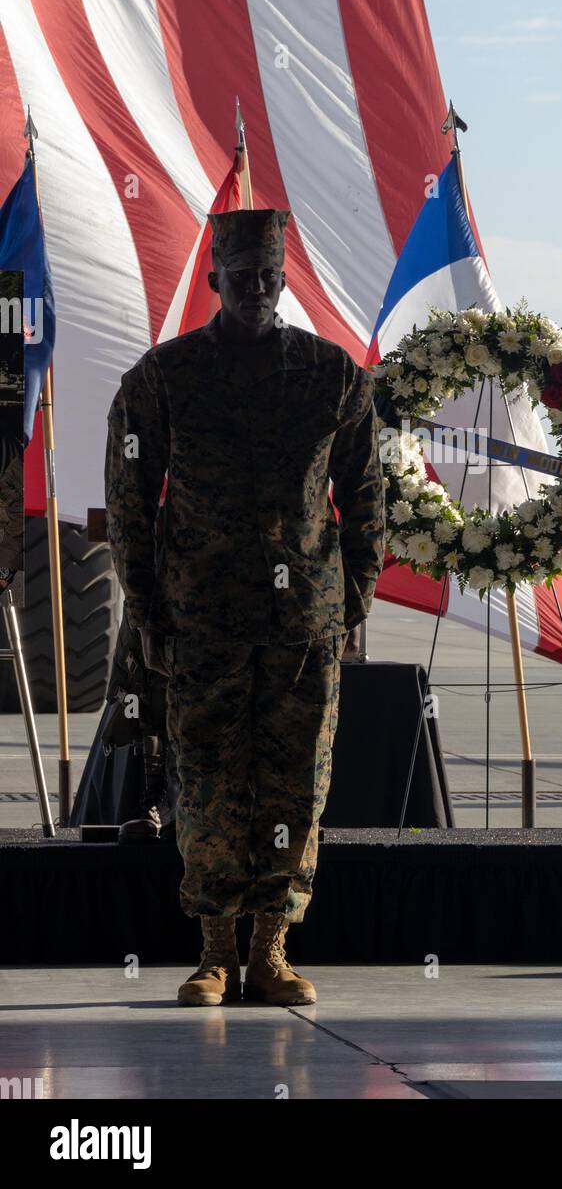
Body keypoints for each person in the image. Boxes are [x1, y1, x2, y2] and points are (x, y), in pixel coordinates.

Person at [104, 208, 385, 1007]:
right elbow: (128, 502)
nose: (256, 290)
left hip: (303, 628)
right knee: (207, 785)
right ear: (213, 281)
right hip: (201, 624)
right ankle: (215, 955)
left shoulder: (333, 377)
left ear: (284, 279)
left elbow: (367, 498)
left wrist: (352, 600)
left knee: (298, 786)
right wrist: (148, 613)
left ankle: (272, 951)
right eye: (241, 278)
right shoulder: (164, 379)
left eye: (269, 276)